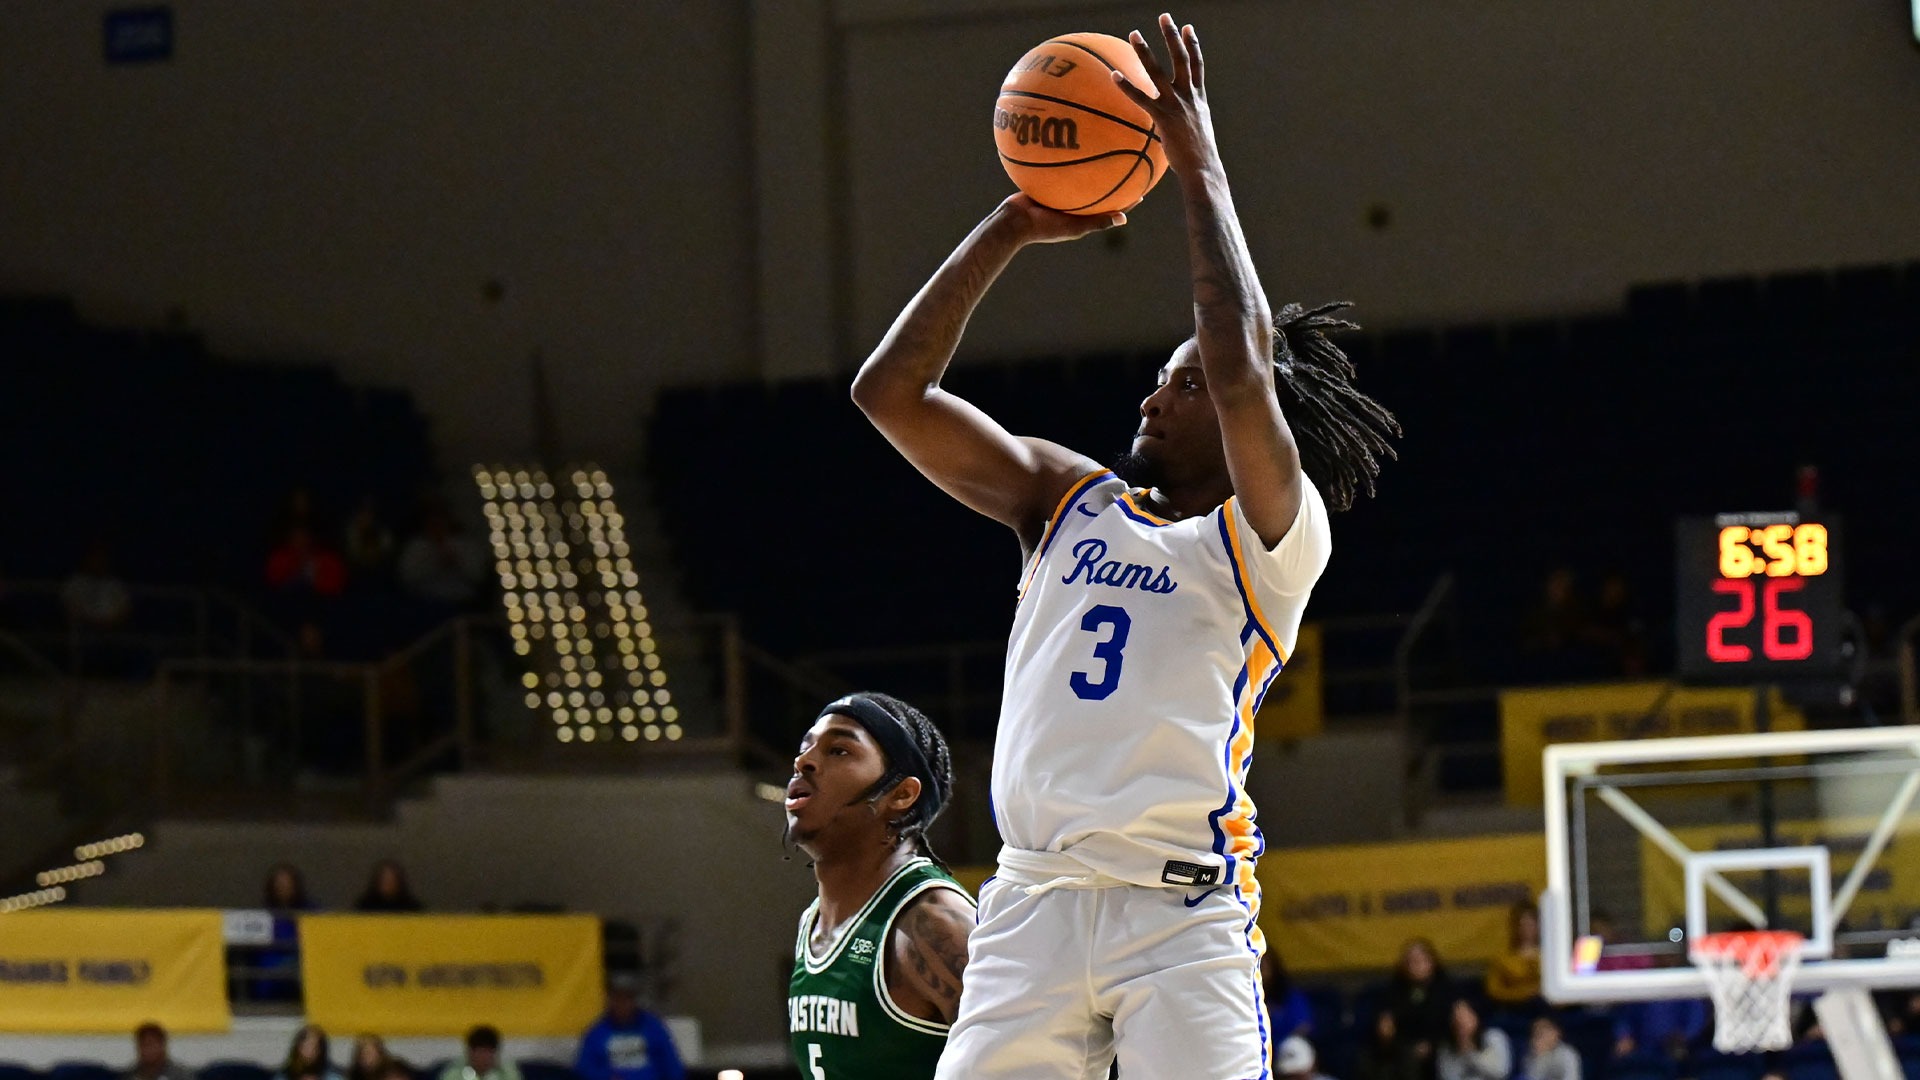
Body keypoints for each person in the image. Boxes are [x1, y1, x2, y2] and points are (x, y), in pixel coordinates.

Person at [851, 14, 1397, 1078]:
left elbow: (1244, 370)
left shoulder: (1271, 543)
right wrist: (1009, 227)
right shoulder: (1065, 499)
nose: (1157, 391)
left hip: (1180, 916)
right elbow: (890, 393)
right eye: (1164, 370)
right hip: (1031, 906)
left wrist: (1202, 172)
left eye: (1182, 380)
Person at [786, 692, 973, 1079]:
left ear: (901, 794)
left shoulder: (932, 922)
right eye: (806, 748)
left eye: (838, 750)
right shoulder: (813, 921)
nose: (803, 761)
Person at [575, 972, 686, 1080]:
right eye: (617, 998)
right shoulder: (596, 1033)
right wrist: (605, 1076)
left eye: (627, 998)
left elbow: (672, 1066)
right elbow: (584, 1069)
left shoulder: (653, 1028)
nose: (622, 1004)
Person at [1384, 939, 1453, 1065]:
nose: (1415, 965)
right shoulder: (1394, 991)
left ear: (1432, 962)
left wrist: (1432, 1044)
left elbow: (1451, 1024)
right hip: (1402, 1052)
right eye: (1410, 961)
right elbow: (1388, 1026)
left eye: (1420, 960)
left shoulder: (1446, 989)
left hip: (1441, 1050)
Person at [1484, 901, 1542, 1012]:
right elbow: (1494, 990)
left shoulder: (1553, 956)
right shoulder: (1502, 958)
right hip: (1515, 1010)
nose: (1527, 929)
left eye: (1531, 924)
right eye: (1522, 924)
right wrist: (1522, 994)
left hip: (1548, 1010)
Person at [1435, 998, 1511, 1080]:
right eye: (1456, 1018)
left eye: (1465, 1016)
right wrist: (1462, 1049)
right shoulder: (1446, 1048)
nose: (1461, 1022)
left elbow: (1501, 1072)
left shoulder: (1495, 1037)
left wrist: (1471, 1053)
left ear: (1475, 1017)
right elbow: (1447, 1076)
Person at [1353, 1012, 1421, 1080]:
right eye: (1383, 1024)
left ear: (1395, 1028)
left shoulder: (1406, 1055)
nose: (1385, 1029)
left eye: (1389, 1025)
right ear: (1376, 1028)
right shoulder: (1366, 1056)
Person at [1264, 949, 1315, 1040]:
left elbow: (1304, 1026)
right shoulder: (1246, 996)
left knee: (1295, 1046)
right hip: (1256, 1046)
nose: (1261, 971)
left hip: (1285, 1046)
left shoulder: (1289, 995)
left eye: (1264, 966)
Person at [439, 1027, 521, 1080]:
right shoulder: (454, 1074)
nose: (484, 1059)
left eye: (488, 1053)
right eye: (480, 1053)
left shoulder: (507, 1074)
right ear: (470, 1053)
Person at [124, 1021, 193, 1080]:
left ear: (163, 1045)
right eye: (143, 1044)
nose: (148, 1049)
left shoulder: (182, 1076)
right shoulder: (129, 1077)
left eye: (152, 1044)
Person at [1522, 1016, 1581, 1080]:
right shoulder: (1530, 1055)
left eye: (1543, 1031)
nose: (1538, 1035)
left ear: (1556, 1033)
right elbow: (1531, 1076)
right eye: (1535, 1031)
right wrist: (1540, 1057)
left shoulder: (1567, 1054)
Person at [278, 1025, 345, 1080]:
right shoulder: (283, 1077)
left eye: (315, 1047)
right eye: (306, 1046)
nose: (310, 1051)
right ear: (298, 1047)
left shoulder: (333, 1077)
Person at [355, 858, 423, 911]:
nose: (388, 883)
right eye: (384, 880)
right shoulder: (365, 907)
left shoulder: (412, 908)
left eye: (391, 880)